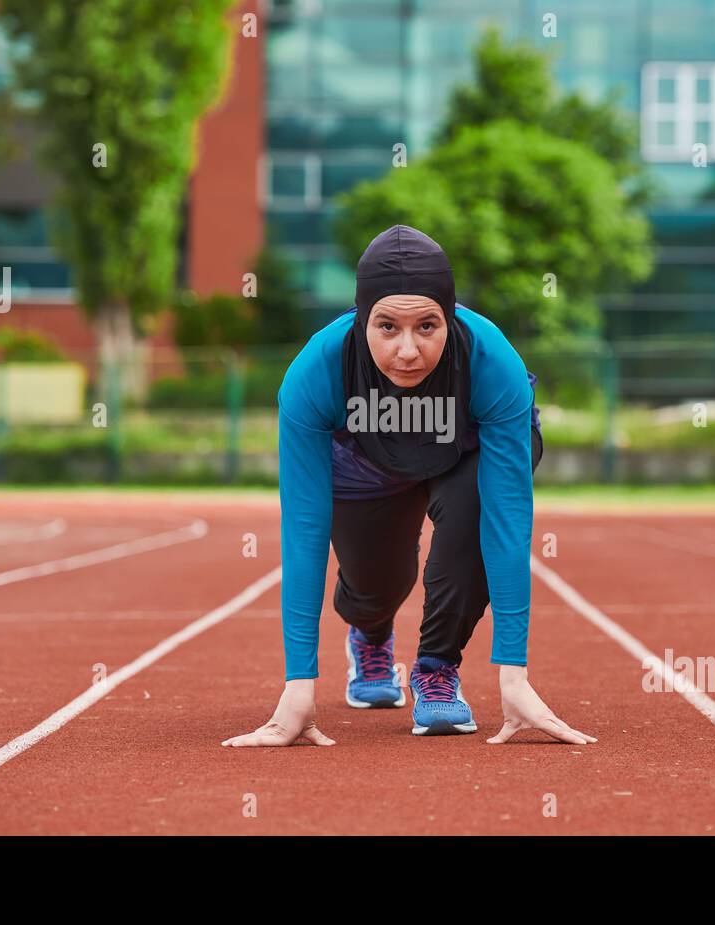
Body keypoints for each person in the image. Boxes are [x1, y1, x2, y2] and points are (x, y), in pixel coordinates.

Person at [222, 224, 595, 747]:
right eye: (387, 327)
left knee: (476, 514)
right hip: (366, 467)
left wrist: (514, 674)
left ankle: (436, 668)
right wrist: (298, 686)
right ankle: (371, 632)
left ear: (451, 317)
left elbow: (508, 520)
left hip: (464, 457)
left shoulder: (493, 363)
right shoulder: (313, 375)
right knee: (376, 584)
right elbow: (304, 528)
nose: (407, 351)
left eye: (427, 326)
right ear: (359, 321)